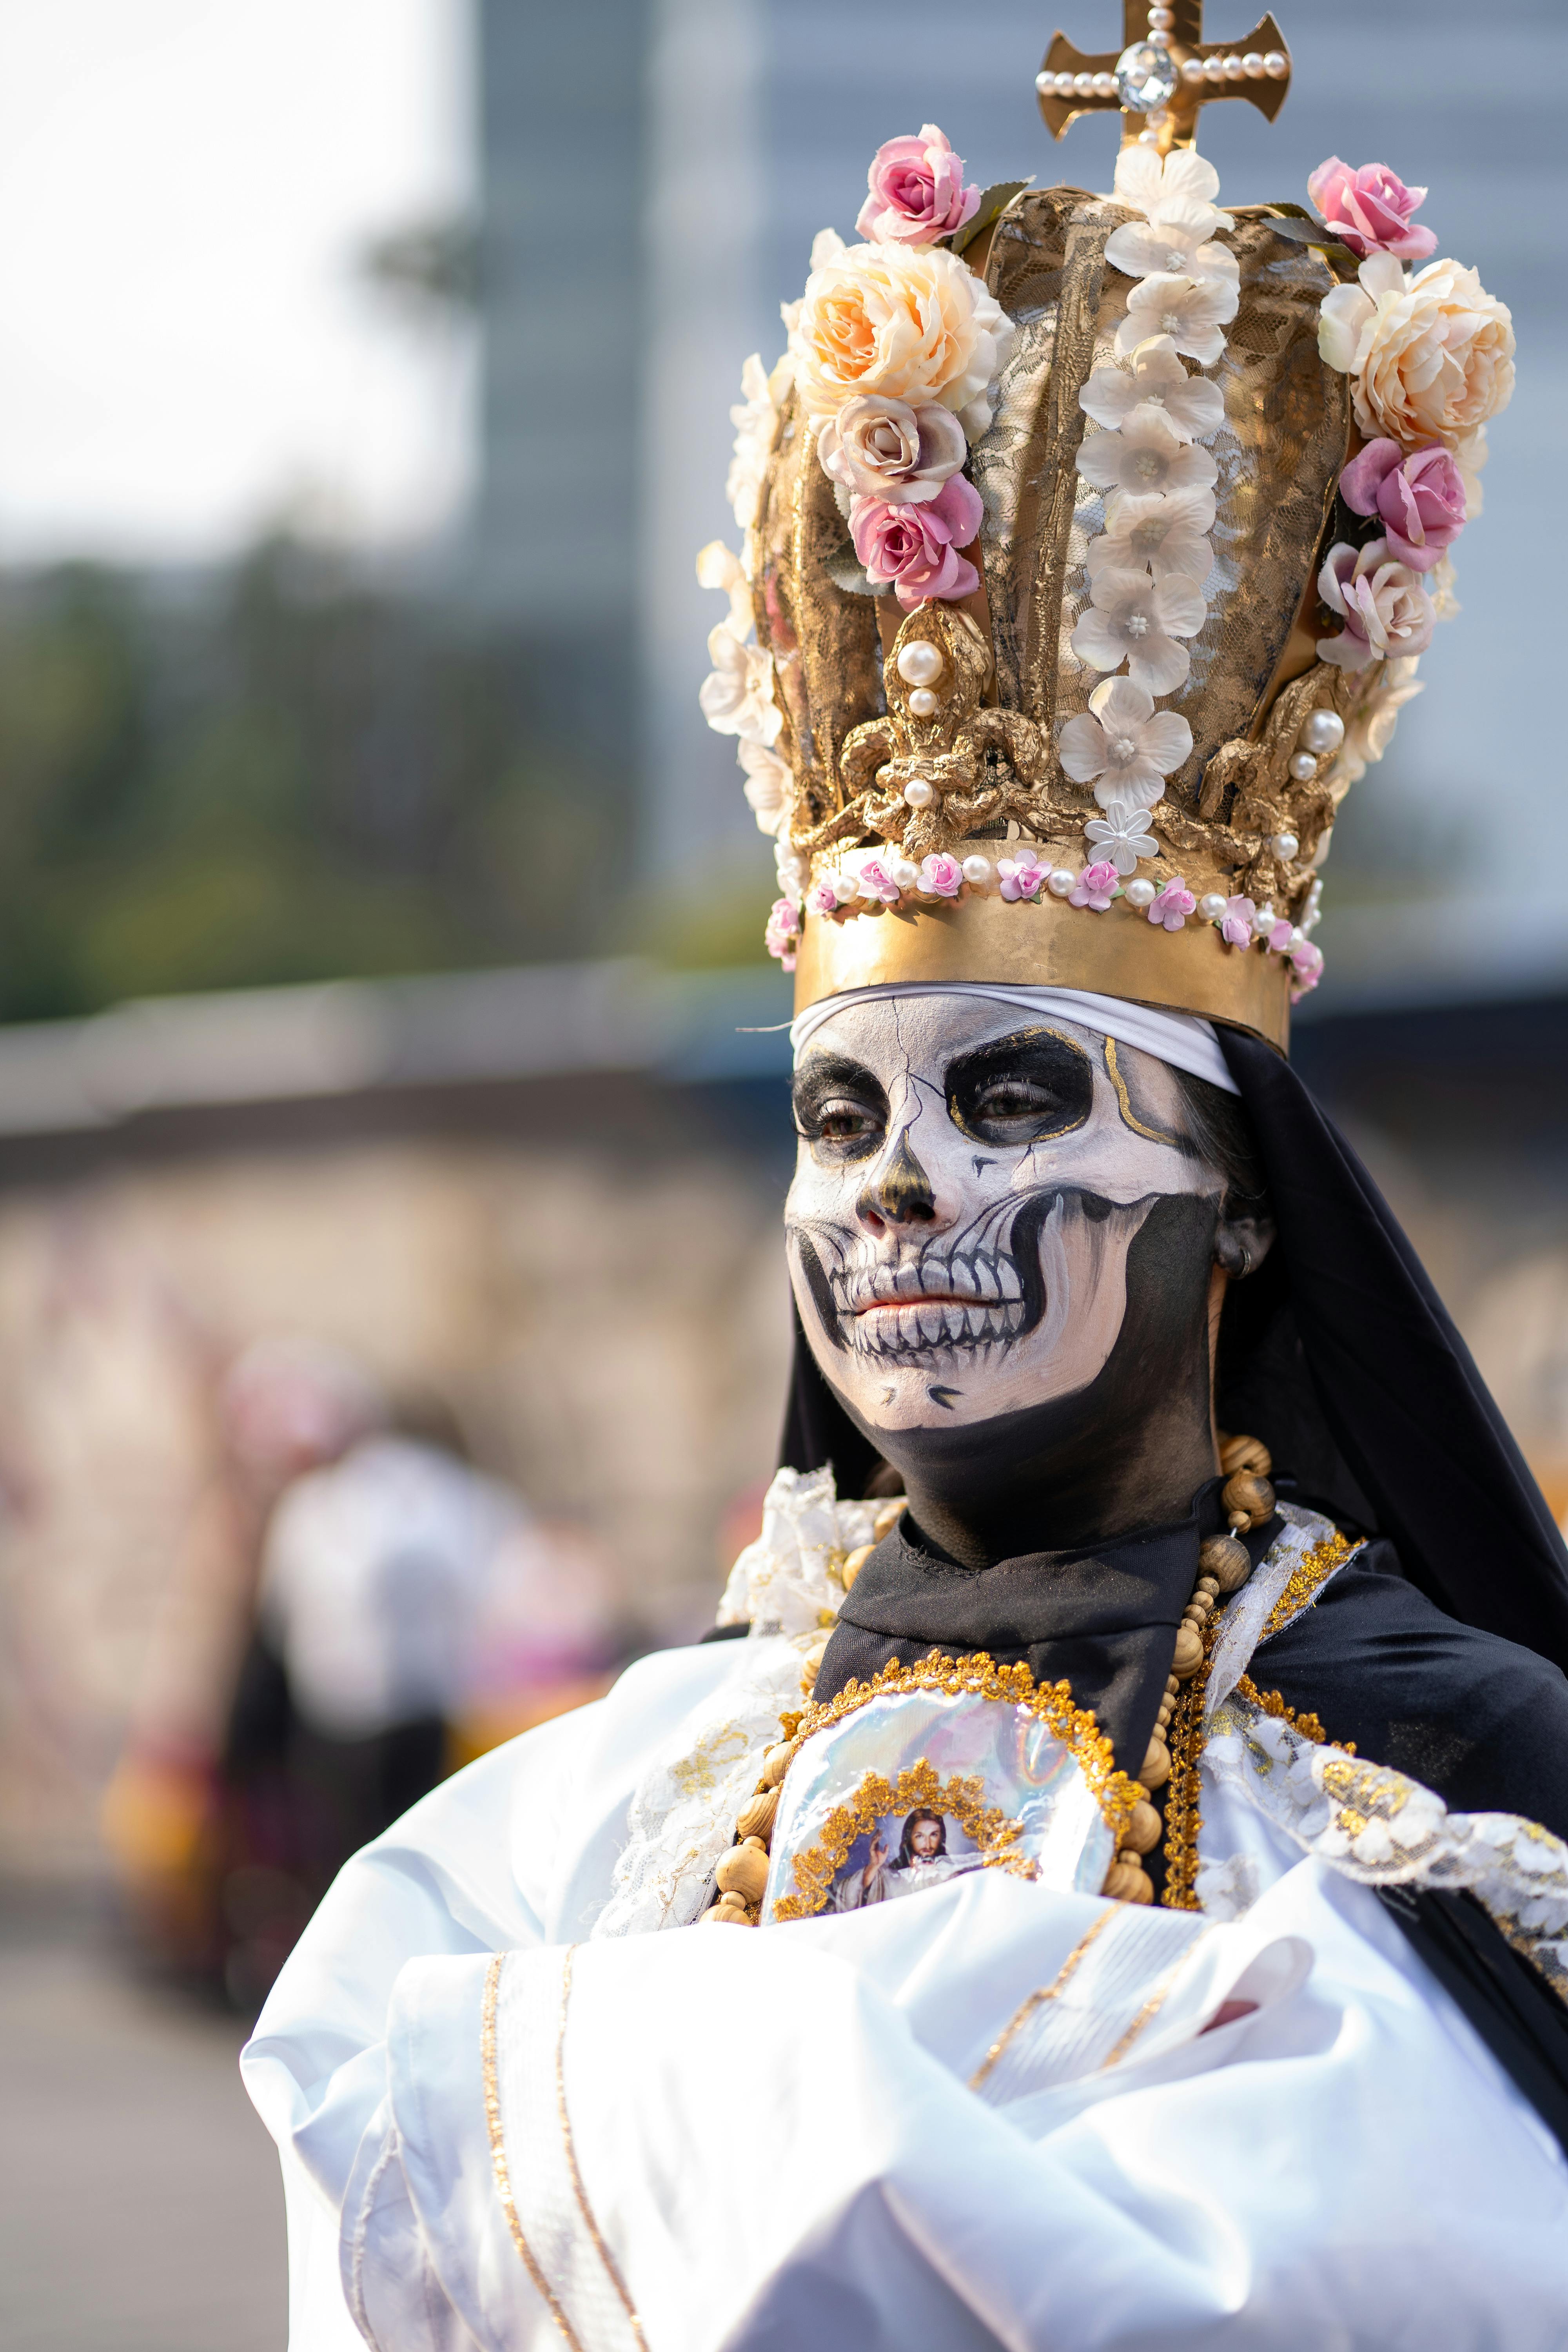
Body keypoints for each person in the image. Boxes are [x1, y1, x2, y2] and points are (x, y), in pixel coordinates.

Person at [244, 37, 1568, 2348]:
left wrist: (665, 2104)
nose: (898, 1195)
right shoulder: (619, 1799)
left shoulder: (1466, 1781)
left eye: (1019, 1093)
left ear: (1238, 1195)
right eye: (837, 1120)